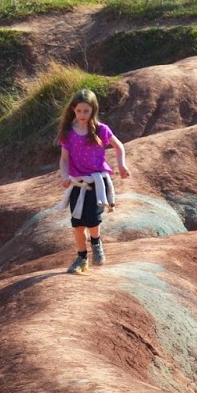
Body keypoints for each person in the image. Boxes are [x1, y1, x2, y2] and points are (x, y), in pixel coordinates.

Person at [56, 87, 130, 275]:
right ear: (73, 109)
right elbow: (64, 159)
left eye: (86, 111)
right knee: (77, 223)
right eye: (79, 110)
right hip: (77, 183)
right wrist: (65, 176)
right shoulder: (68, 133)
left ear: (93, 110)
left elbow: (119, 146)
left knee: (93, 220)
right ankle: (82, 257)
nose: (82, 114)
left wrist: (121, 165)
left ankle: (96, 243)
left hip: (97, 183)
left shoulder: (101, 129)